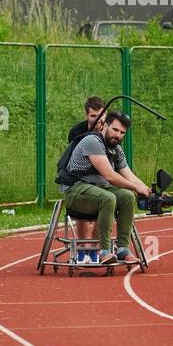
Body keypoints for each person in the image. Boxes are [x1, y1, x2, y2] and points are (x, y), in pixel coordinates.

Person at [57, 111, 151, 265]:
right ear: (104, 125)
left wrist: (147, 190)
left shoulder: (116, 149)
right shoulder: (92, 141)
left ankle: (122, 249)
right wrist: (136, 186)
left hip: (99, 189)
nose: (118, 135)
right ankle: (104, 251)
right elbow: (110, 176)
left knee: (127, 196)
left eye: (122, 133)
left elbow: (129, 175)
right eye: (115, 130)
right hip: (75, 190)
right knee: (108, 198)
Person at [66, 96, 106, 261]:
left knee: (105, 200)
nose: (97, 119)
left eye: (100, 116)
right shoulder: (76, 132)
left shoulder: (108, 132)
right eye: (92, 116)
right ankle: (82, 248)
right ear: (86, 115)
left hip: (101, 177)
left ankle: (94, 249)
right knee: (83, 204)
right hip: (79, 177)